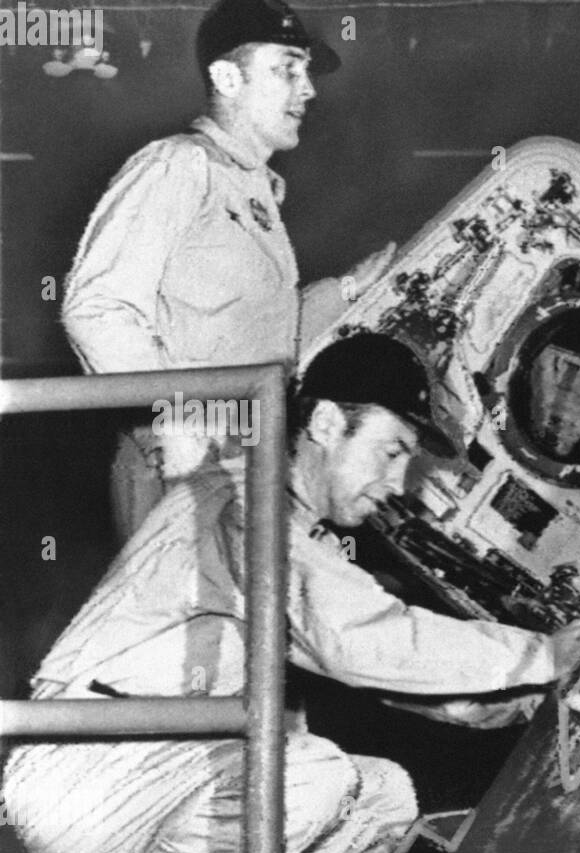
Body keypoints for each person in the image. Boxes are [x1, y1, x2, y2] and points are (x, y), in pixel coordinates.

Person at [0, 333, 580, 853]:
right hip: (75, 777)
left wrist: (487, 700)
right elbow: (359, 634)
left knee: (384, 796)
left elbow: (354, 649)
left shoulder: (279, 523)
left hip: (139, 772)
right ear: (324, 425)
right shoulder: (241, 498)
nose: (399, 481)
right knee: (310, 772)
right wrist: (542, 653)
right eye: (393, 449)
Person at [61, 0, 395, 540]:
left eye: (305, 72)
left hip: (242, 455)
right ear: (226, 77)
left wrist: (353, 289)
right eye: (287, 69)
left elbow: (264, 337)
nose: (306, 89)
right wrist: (178, 421)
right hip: (183, 464)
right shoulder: (179, 165)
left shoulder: (253, 188)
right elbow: (96, 309)